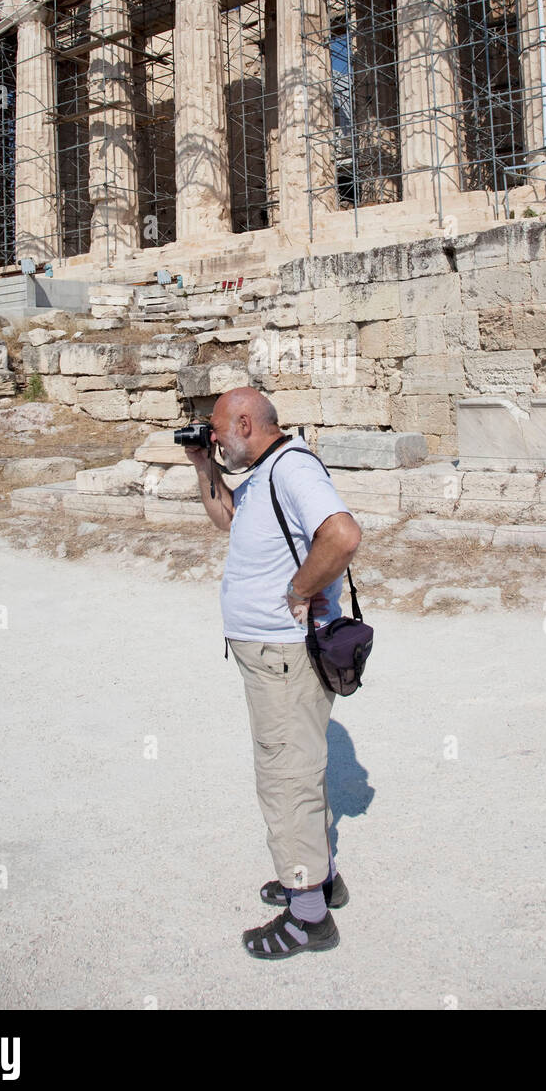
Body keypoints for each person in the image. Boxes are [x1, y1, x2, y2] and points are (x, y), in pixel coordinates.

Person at [185, 387, 362, 960]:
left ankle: (307, 915)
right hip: (272, 656)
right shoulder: (261, 470)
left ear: (244, 421)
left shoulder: (291, 469)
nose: (214, 437)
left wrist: (299, 589)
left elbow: (343, 534)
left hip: (284, 655)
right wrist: (202, 465)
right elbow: (227, 521)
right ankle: (318, 877)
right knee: (300, 768)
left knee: (285, 778)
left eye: (216, 430)